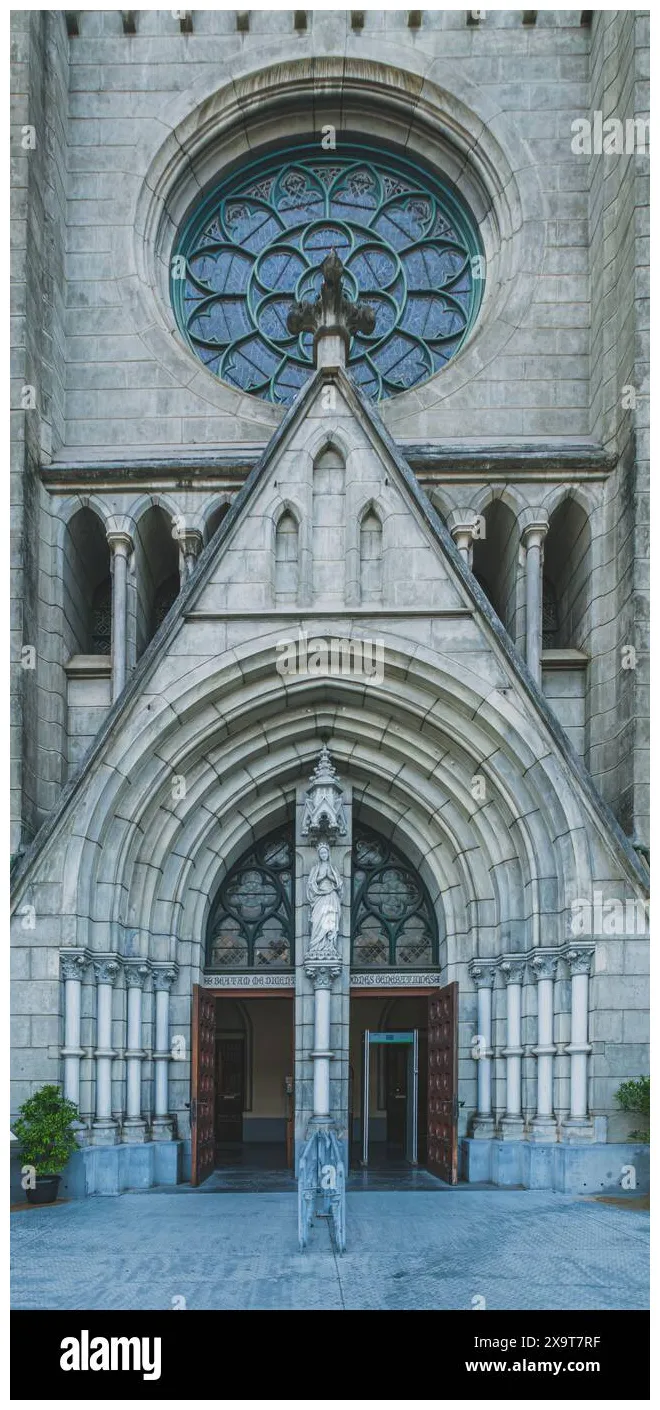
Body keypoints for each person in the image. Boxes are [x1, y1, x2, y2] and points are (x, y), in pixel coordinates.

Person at [307, 842, 343, 959]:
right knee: (317, 920)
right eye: (321, 853)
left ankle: (329, 947)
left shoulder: (333, 868)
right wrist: (322, 877)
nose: (323, 855)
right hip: (319, 896)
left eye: (325, 852)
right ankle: (316, 947)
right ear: (319, 855)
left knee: (330, 921)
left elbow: (339, 883)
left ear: (328, 853)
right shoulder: (315, 868)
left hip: (331, 896)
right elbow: (311, 883)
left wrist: (330, 876)